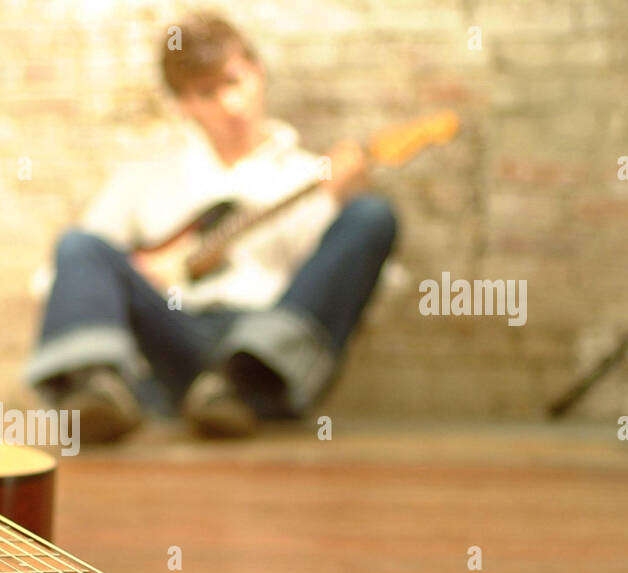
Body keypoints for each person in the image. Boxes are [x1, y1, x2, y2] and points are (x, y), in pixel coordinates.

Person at [25, 14, 397, 441]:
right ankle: (97, 393)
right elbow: (56, 278)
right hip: (176, 338)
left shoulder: (310, 176)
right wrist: (139, 274)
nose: (230, 105)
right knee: (78, 245)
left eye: (234, 82)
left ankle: (239, 385)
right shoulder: (143, 178)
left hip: (263, 348)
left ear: (258, 73)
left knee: (372, 217)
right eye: (207, 93)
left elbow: (347, 291)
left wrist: (334, 200)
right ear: (184, 104)